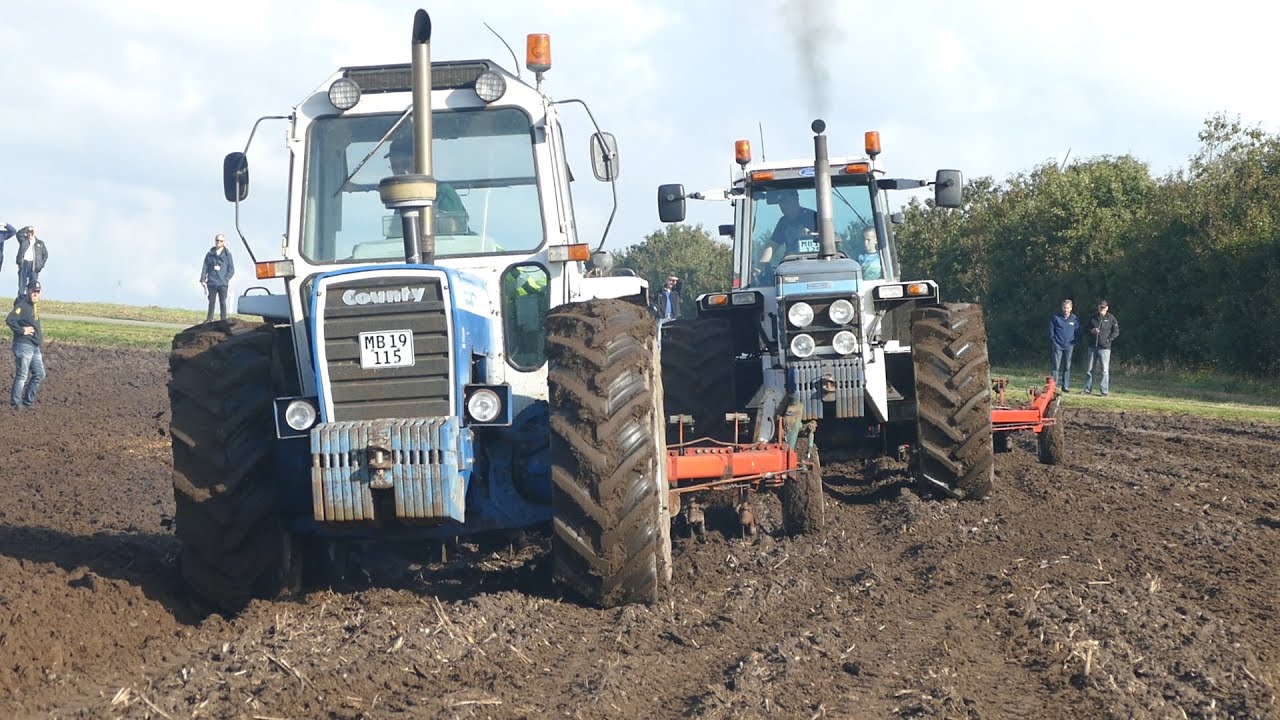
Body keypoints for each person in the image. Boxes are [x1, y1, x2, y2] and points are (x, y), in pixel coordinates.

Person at [6, 280, 46, 409]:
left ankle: (28, 401)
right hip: (24, 345)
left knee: (39, 374)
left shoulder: (32, 306)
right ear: (28, 290)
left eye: (38, 292)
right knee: (22, 375)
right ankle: (16, 403)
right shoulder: (22, 305)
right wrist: (22, 330)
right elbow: (10, 320)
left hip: (34, 346)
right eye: (34, 291)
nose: (36, 294)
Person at [757, 189, 817, 269]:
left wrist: (810, 236)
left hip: (814, 264)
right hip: (791, 265)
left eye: (787, 201)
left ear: (796, 199)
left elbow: (828, 240)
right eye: (781, 202)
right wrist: (761, 267)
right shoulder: (783, 222)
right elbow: (772, 246)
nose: (783, 205)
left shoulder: (814, 217)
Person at [1082, 300, 1120, 396]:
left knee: (1104, 370)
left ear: (1107, 308)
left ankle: (1104, 391)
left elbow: (1116, 331)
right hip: (1092, 347)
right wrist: (1092, 331)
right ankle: (1087, 389)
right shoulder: (1092, 318)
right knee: (1090, 370)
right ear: (1098, 307)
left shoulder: (1111, 318)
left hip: (1105, 348)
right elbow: (1084, 329)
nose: (1101, 309)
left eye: (1103, 307)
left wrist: (1108, 339)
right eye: (1100, 307)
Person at [199, 233, 235, 322]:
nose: (218, 242)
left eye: (221, 241)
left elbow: (231, 269)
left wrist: (226, 279)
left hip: (223, 284)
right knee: (211, 302)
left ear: (224, 242)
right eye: (217, 240)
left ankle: (223, 320)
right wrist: (203, 278)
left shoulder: (228, 255)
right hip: (211, 282)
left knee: (223, 302)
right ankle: (209, 319)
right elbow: (205, 267)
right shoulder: (210, 254)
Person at [1048, 298, 1081, 393]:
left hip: (1069, 346)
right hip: (1058, 345)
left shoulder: (1074, 319)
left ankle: (1065, 386)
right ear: (1062, 307)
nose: (1065, 309)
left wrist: (1074, 342)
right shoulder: (1056, 317)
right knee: (1056, 366)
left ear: (1071, 308)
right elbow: (1051, 330)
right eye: (1064, 307)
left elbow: (1078, 331)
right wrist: (1054, 341)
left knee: (1067, 366)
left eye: (1067, 308)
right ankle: (1053, 386)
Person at [14, 226, 48, 297]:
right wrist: (27, 228)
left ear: (35, 233)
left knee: (33, 284)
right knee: (22, 282)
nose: (30, 234)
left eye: (31, 232)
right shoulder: (23, 240)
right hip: (24, 263)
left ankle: (31, 298)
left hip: (34, 265)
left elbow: (45, 255)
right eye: (28, 232)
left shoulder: (40, 243)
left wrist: (40, 265)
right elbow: (18, 234)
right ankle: (20, 298)